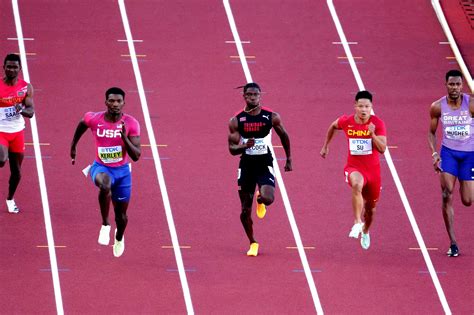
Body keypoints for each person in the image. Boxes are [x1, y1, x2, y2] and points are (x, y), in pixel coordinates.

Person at [70, 87, 141, 257]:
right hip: (101, 167)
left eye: (118, 101)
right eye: (111, 101)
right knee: (105, 184)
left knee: (122, 217)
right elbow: (82, 124)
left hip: (123, 172)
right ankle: (105, 224)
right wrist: (73, 145)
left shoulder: (131, 123)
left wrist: (124, 138)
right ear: (106, 102)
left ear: (124, 103)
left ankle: (119, 237)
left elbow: (136, 156)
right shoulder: (94, 119)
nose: (115, 104)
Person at [228, 82, 292, 257]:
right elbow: (232, 149)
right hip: (246, 165)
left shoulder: (271, 117)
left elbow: (284, 136)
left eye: (255, 95)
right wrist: (243, 146)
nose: (252, 98)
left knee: (268, 198)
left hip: (264, 163)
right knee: (244, 210)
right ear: (244, 96)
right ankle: (253, 242)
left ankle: (260, 199)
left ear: (260, 96)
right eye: (249, 95)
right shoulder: (236, 120)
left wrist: (288, 159)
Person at [320, 90, 386, 250]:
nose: (364, 110)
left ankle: (365, 230)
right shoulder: (347, 121)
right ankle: (357, 222)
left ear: (371, 107)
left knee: (371, 210)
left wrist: (372, 135)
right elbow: (333, 126)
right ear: (355, 106)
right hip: (354, 167)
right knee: (357, 184)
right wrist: (326, 145)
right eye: (361, 106)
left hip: (373, 171)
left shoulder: (378, 124)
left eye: (367, 107)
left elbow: (383, 149)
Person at [428, 69, 474, 257]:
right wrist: (434, 153)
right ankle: (453, 242)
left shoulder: (470, 104)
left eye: (457, 84)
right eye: (451, 84)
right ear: (446, 85)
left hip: (469, 154)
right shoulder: (437, 107)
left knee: (468, 200)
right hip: (448, 154)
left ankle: (466, 179)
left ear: (462, 86)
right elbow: (431, 132)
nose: (454, 87)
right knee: (447, 194)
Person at [0, 54, 35, 213]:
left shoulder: (26, 87)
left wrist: (20, 108)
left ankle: (10, 199)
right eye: (8, 66)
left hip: (17, 132)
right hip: (1, 130)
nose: (11, 69)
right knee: (1, 159)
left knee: (17, 173)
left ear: (20, 69)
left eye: (15, 67)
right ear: (4, 67)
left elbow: (31, 111)